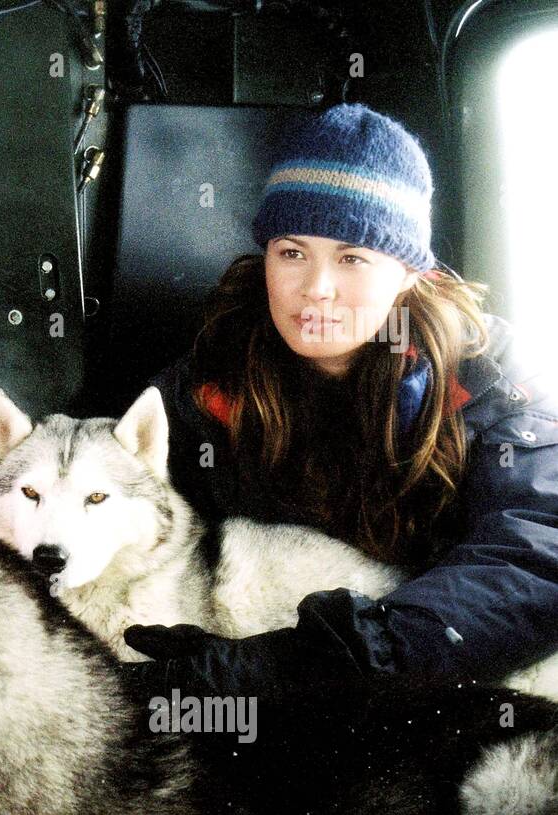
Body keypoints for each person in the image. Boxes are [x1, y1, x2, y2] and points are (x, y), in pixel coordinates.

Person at [125, 103, 558, 697]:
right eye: (292, 252)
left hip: (443, 685)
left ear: (408, 272)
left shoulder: (494, 377)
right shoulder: (200, 390)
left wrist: (333, 660)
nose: (315, 290)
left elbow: (532, 553)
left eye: (353, 257)